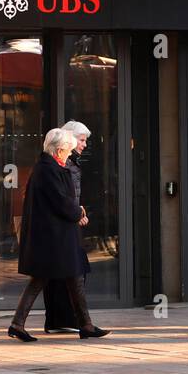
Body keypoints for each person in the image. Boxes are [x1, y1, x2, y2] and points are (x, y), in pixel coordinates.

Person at [8, 128, 110, 342]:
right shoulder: (48, 170)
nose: (69, 154)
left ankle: (85, 325)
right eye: (67, 151)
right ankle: (19, 324)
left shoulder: (50, 167)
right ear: (58, 150)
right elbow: (61, 202)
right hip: (54, 238)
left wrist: (75, 210)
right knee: (49, 278)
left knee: (70, 278)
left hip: (57, 236)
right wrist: (78, 212)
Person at [43, 120, 91, 334]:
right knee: (71, 271)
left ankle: (70, 320)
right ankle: (70, 320)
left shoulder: (67, 164)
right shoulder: (61, 166)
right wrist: (76, 213)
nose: (84, 145)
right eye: (81, 140)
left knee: (67, 272)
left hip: (67, 222)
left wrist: (77, 210)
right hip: (64, 225)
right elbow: (63, 197)